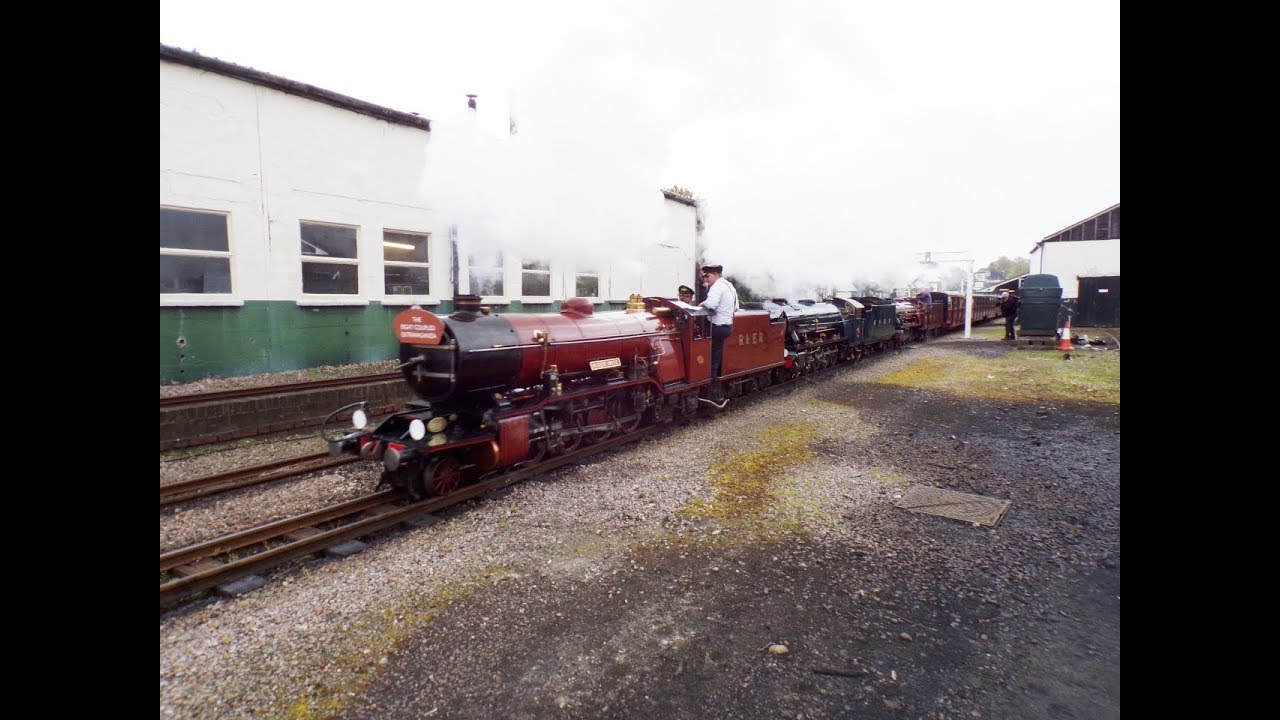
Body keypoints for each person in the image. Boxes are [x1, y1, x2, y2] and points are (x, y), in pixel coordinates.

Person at [698, 264, 738, 406]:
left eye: (707, 276)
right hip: (728, 326)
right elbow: (736, 307)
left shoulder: (717, 286)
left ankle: (709, 380)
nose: (706, 280)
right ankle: (714, 379)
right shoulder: (729, 286)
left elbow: (711, 305)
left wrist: (702, 303)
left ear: (715, 274)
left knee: (706, 349)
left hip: (717, 326)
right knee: (717, 352)